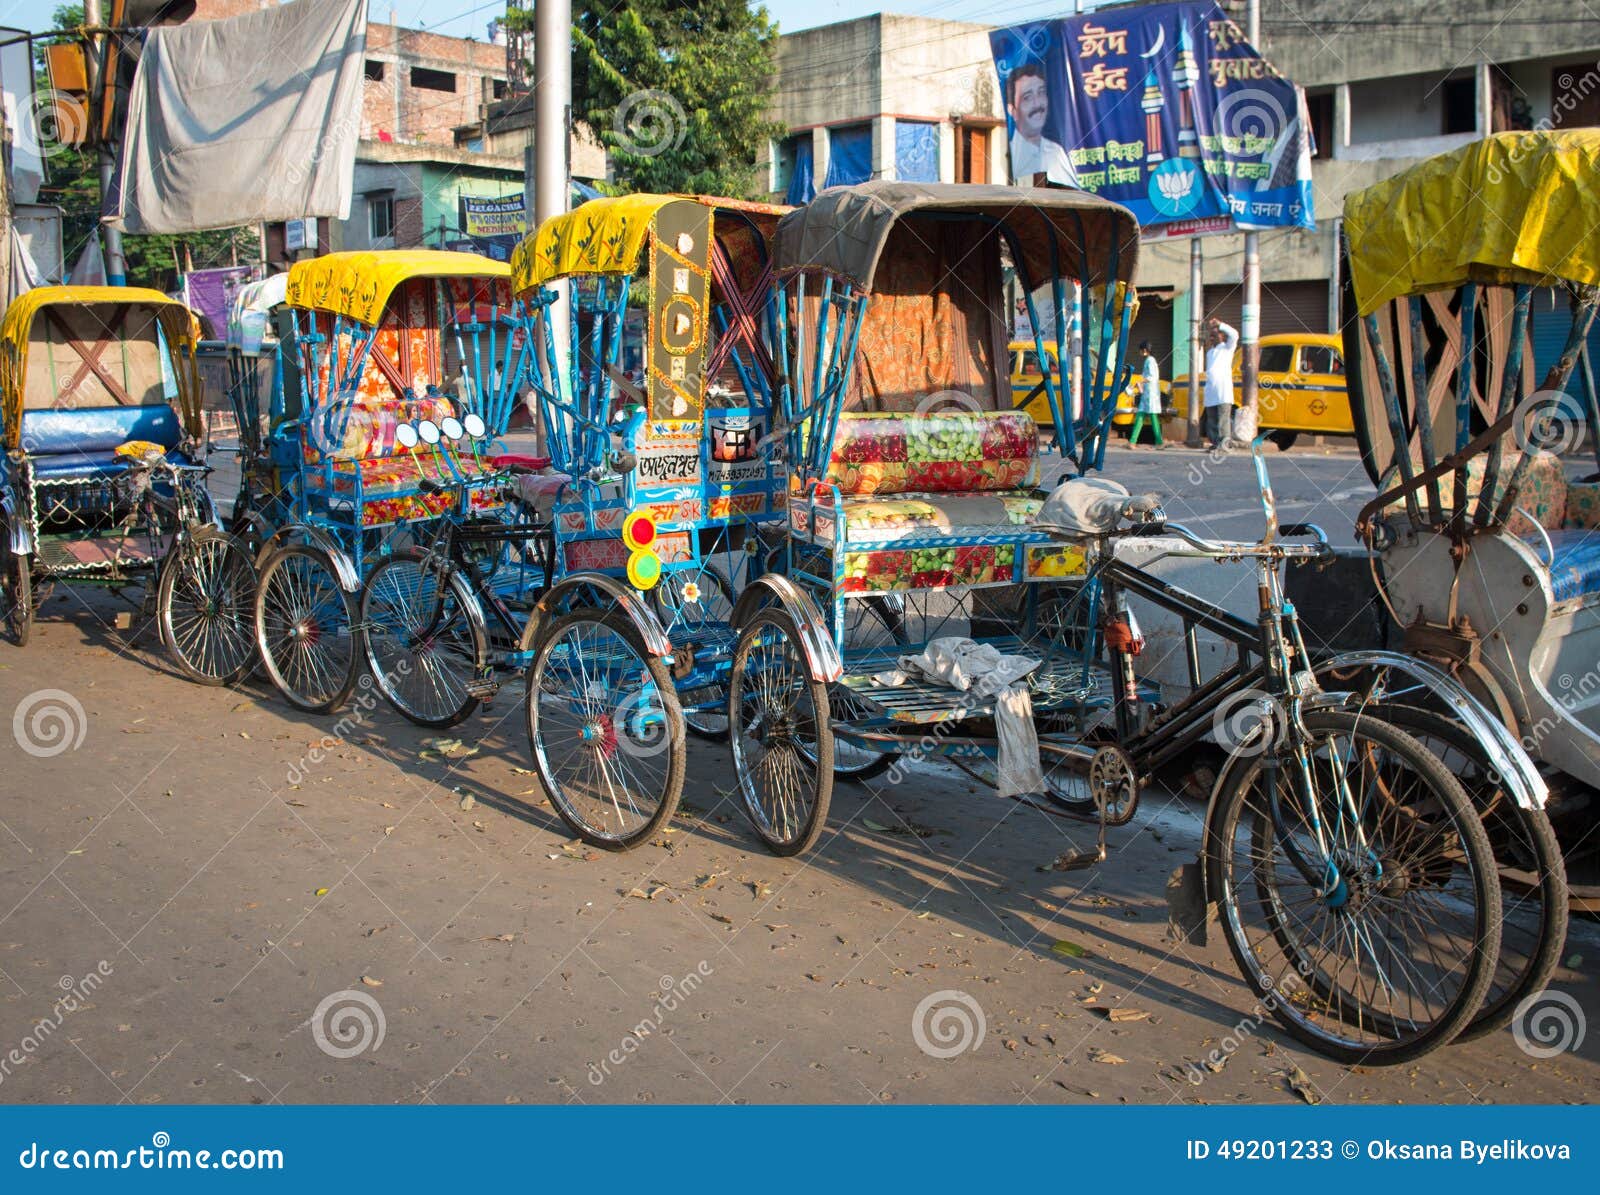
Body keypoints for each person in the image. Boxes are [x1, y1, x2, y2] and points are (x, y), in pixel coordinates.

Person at [1006, 63, 1079, 187]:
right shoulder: (1011, 156)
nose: (1037, 103)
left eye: (1041, 93)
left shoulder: (1058, 151)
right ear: (1012, 110)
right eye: (1027, 97)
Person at [1202, 318, 1239, 448]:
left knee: (1223, 420)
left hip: (1223, 392)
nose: (1212, 338)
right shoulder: (1210, 352)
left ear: (1222, 336)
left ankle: (1224, 445)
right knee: (1211, 420)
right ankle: (1215, 443)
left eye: (1215, 335)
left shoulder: (1227, 348)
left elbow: (1235, 334)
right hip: (1211, 391)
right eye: (1210, 336)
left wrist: (1221, 324)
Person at [1128, 341, 1164, 447]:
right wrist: (1139, 384)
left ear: (1144, 350)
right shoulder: (1149, 360)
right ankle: (1132, 441)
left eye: (1140, 350)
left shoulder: (1150, 361)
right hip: (1148, 393)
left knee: (1150, 416)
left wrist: (1140, 382)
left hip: (1151, 393)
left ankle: (1158, 442)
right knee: (1142, 416)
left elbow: (1151, 377)